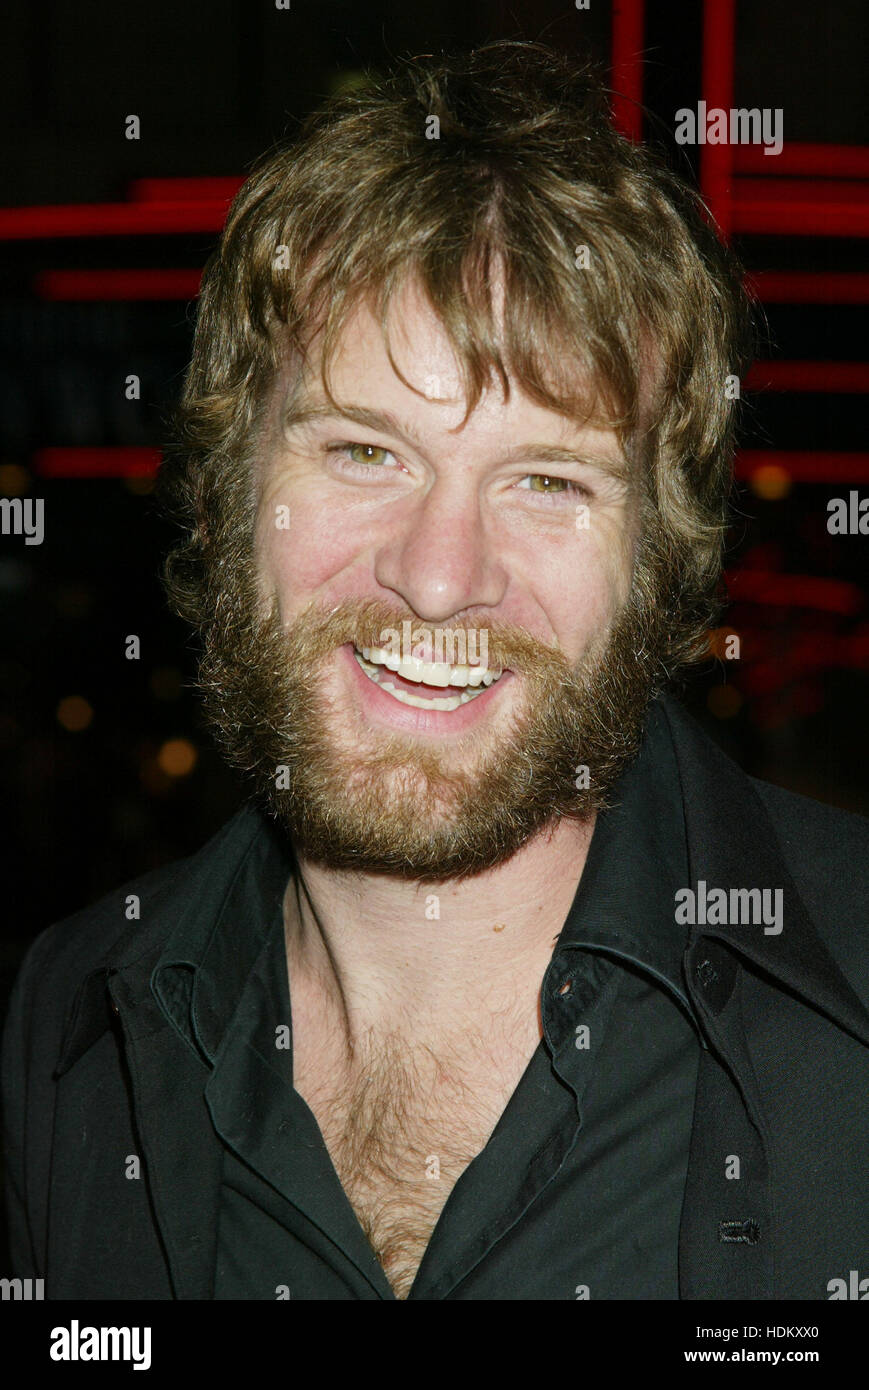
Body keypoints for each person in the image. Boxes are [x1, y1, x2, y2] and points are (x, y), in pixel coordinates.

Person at [3, 41, 868, 1302]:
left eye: (546, 481)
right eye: (364, 452)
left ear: (657, 561)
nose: (439, 573)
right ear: (226, 500)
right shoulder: (64, 1030)